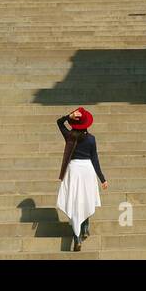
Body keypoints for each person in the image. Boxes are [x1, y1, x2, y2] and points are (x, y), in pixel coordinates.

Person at [56, 107, 107, 252]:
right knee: (85, 198)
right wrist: (102, 178)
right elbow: (95, 158)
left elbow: (59, 123)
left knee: (74, 200)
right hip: (87, 170)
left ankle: (76, 237)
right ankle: (84, 227)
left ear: (74, 122)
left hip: (73, 170)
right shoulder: (91, 139)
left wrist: (68, 116)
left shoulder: (69, 136)